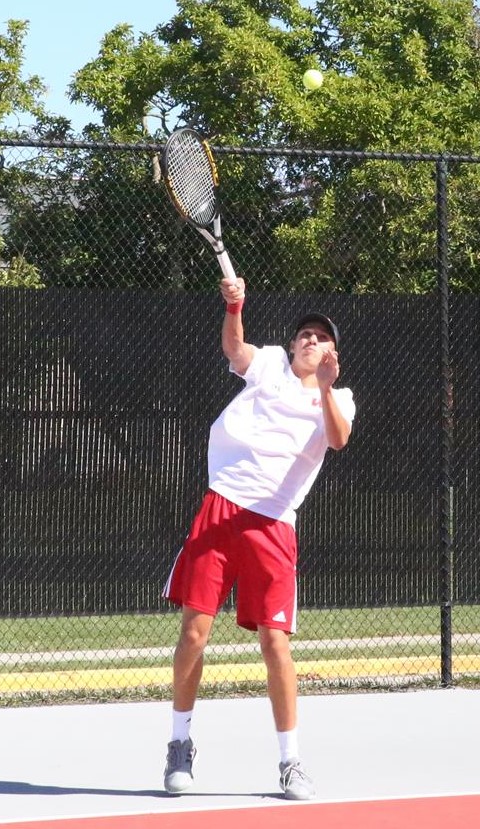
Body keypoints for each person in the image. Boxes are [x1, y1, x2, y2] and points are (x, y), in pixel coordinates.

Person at [161, 273, 355, 801]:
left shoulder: (340, 400)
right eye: (305, 335)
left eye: (322, 337)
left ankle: (291, 762)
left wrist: (329, 389)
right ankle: (179, 744)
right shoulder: (268, 362)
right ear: (292, 345)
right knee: (194, 634)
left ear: (333, 352)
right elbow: (235, 347)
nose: (311, 340)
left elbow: (337, 441)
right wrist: (234, 306)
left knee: (275, 644)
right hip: (222, 507)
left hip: (274, 524)